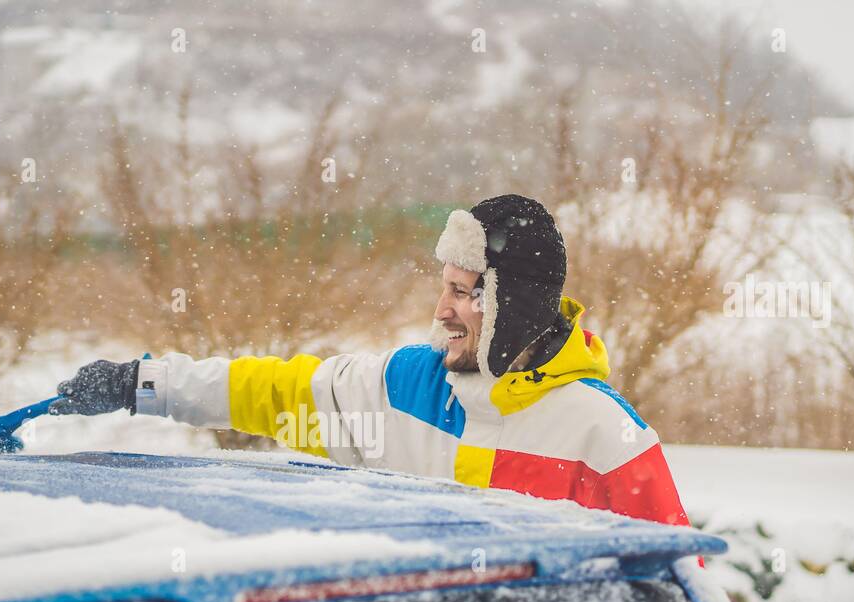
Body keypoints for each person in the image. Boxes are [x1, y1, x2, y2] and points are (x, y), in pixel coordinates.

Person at [51, 194, 691, 528]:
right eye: (443, 286)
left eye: (465, 292)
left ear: (514, 307)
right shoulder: (406, 386)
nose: (441, 310)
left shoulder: (606, 439)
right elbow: (278, 392)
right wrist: (144, 383)